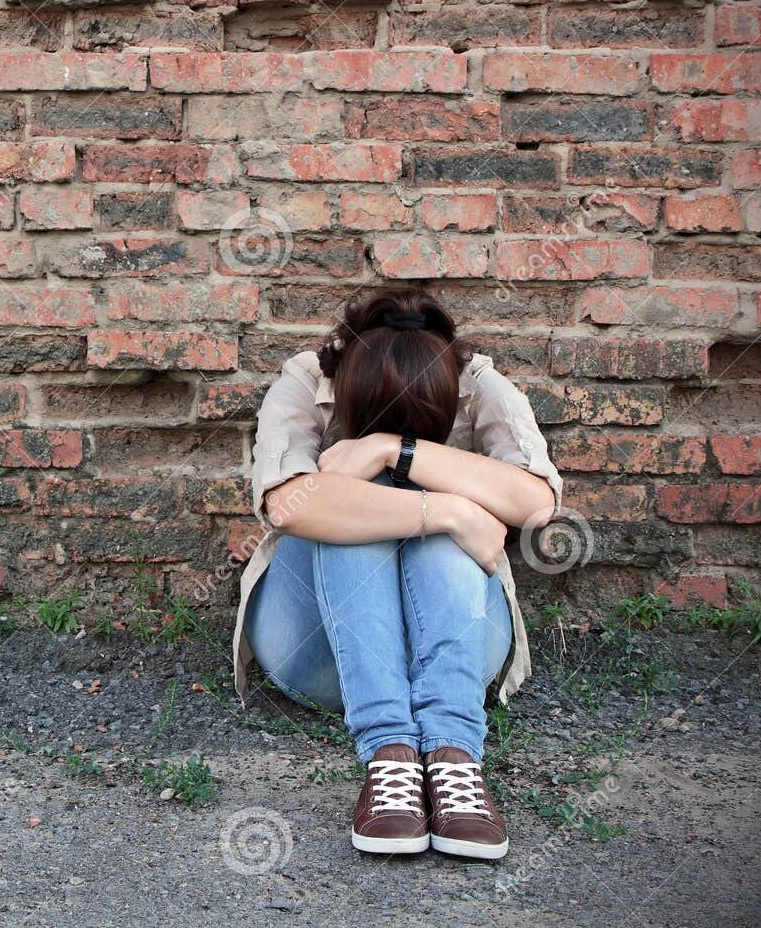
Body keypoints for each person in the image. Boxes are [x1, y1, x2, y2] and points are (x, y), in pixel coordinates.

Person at [236, 287, 562, 859]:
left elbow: (537, 502)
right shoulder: (308, 378)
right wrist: (453, 511)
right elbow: (286, 506)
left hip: (458, 655)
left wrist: (397, 450)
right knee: (347, 510)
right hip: (316, 653)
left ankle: (454, 758)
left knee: (421, 515)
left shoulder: (477, 382)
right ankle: (389, 755)